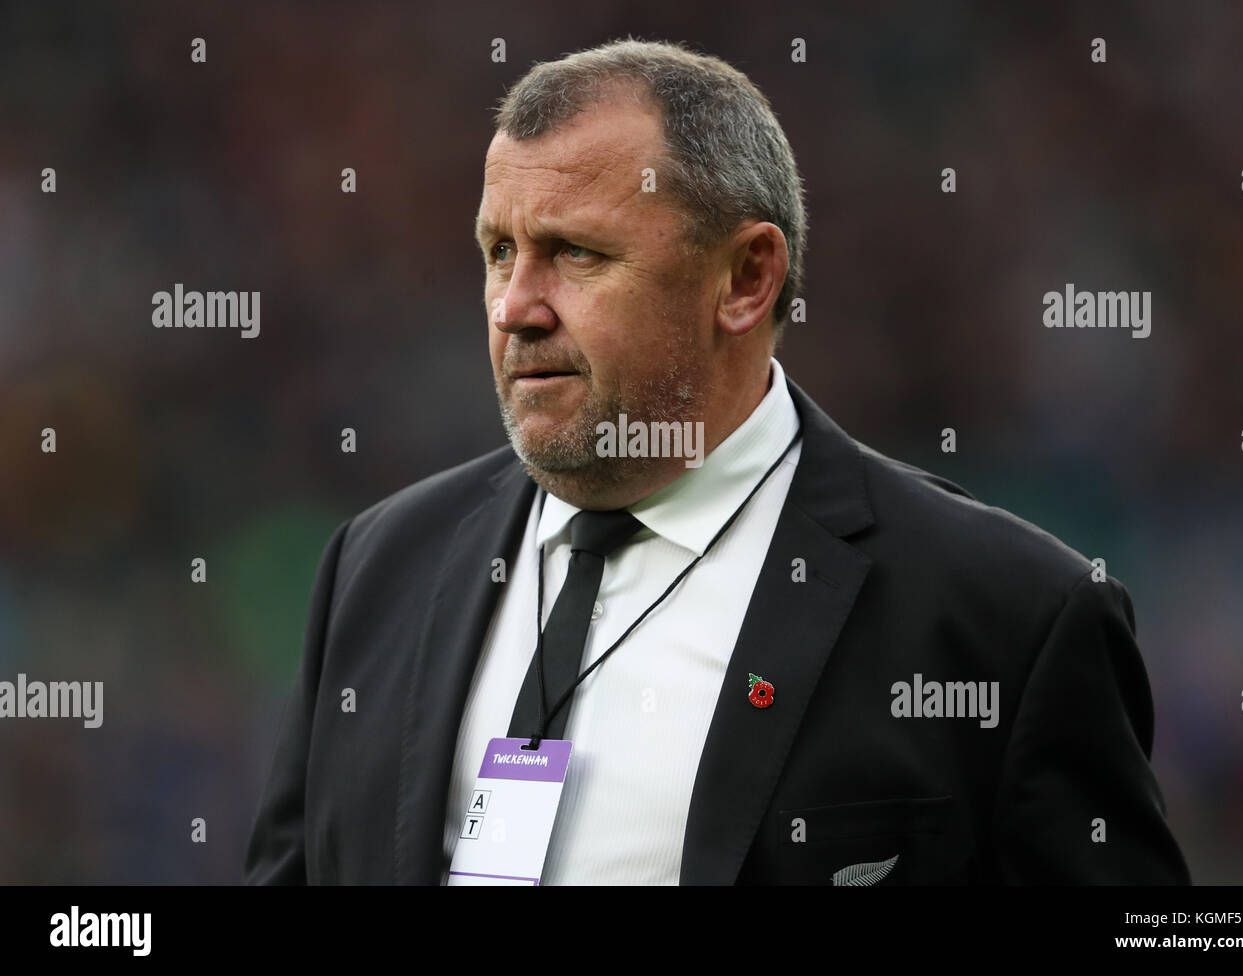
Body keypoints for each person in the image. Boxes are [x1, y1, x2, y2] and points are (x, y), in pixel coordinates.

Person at [244, 38, 1189, 885]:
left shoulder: (1004, 619)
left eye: (575, 254)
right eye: (500, 252)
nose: (514, 307)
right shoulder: (377, 567)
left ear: (746, 279)